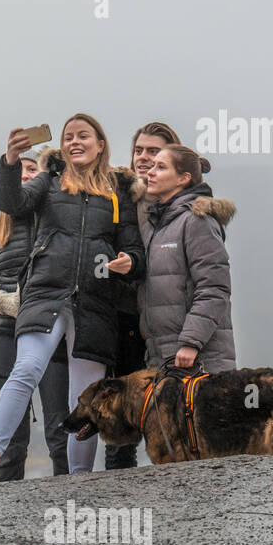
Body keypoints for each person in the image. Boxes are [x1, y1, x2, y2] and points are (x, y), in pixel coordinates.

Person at [0, 114, 145, 480]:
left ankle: (79, 479)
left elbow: (133, 249)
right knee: (26, 370)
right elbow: (12, 202)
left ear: (100, 144)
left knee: (84, 400)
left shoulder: (117, 195)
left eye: (84, 136)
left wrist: (129, 261)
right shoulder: (49, 183)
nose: (75, 142)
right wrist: (9, 163)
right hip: (46, 295)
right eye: (69, 137)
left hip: (95, 306)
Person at [0, 151, 70, 482]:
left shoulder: (56, 223)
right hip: (6, 334)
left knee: (60, 430)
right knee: (12, 439)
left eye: (35, 170)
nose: (28, 175)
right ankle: (1, 514)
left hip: (48, 331)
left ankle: (67, 503)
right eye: (23, 169)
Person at [104, 121, 180, 469]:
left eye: (154, 152)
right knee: (119, 415)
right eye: (139, 150)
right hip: (119, 318)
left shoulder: (180, 207)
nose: (144, 158)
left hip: (164, 323)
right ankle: (120, 497)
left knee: (168, 419)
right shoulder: (117, 194)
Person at [138, 144, 237, 372]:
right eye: (152, 166)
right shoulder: (152, 228)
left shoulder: (197, 221)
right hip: (162, 359)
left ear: (183, 178)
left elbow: (214, 288)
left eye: (160, 167)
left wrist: (191, 342)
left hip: (200, 359)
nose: (150, 172)